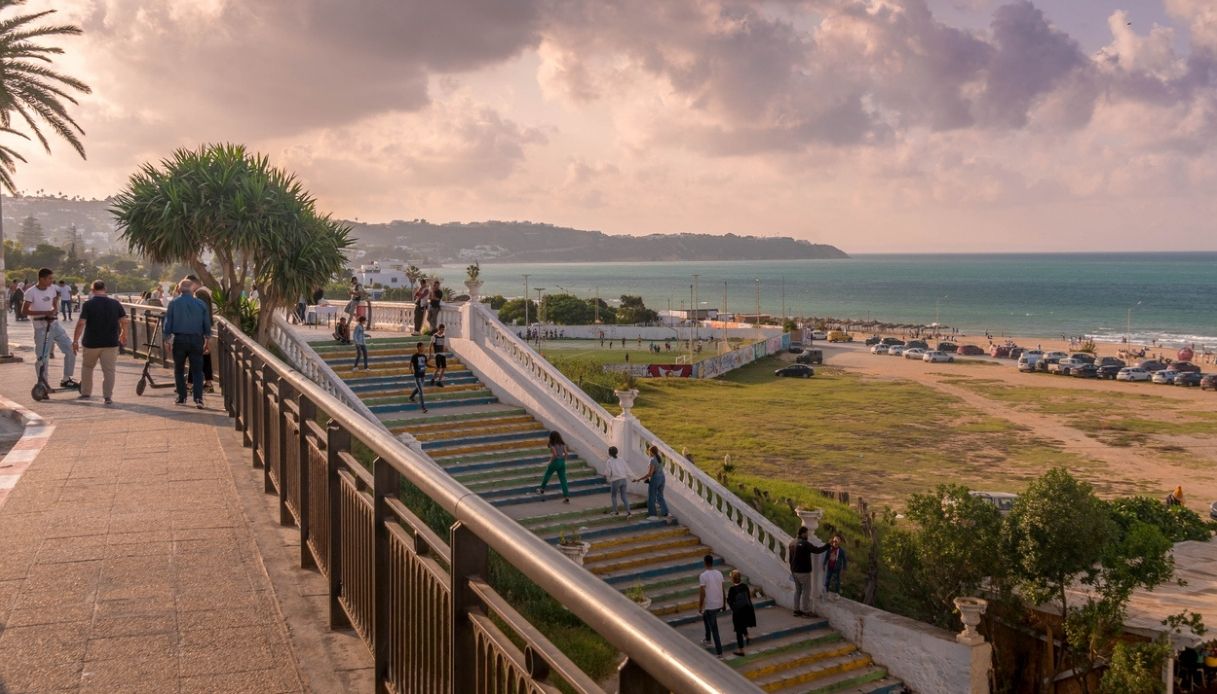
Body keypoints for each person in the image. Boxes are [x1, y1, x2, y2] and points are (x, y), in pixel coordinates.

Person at [72, 280, 128, 405]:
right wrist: (124, 334)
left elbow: (81, 323)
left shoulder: (88, 304)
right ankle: (107, 397)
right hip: (111, 342)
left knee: (87, 368)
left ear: (92, 290)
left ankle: (86, 392)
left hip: (91, 342)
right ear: (105, 289)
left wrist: (75, 340)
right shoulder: (115, 303)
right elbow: (124, 321)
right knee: (109, 371)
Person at [24, 268, 78, 389]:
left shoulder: (52, 288)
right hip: (40, 328)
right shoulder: (30, 292)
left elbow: (54, 302)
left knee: (70, 349)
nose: (51, 280)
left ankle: (67, 379)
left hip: (54, 325)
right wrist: (44, 313)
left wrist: (54, 310)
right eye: (49, 278)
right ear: (42, 279)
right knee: (43, 357)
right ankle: (43, 384)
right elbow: (25, 310)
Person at [162, 279, 211, 409]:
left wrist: (167, 340)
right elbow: (206, 324)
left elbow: (168, 323)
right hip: (196, 340)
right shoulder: (200, 304)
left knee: (178, 369)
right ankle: (198, 398)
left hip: (179, 339)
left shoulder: (173, 303)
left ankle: (181, 397)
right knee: (197, 370)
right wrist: (207, 340)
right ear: (192, 289)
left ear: (179, 289)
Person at [788, 526, 828, 617]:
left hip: (794, 572)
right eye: (806, 533)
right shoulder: (805, 544)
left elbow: (790, 559)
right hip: (803, 572)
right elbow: (817, 550)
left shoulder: (792, 543)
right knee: (806, 592)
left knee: (798, 591)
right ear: (803, 533)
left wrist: (792, 570)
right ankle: (806, 611)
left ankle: (796, 610)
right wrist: (828, 545)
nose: (807, 535)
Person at [698, 554, 725, 659]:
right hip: (719, 603)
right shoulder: (719, 573)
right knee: (705, 616)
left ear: (705, 563)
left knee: (714, 629)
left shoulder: (703, 576)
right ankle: (708, 639)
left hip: (711, 605)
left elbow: (702, 594)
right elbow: (723, 589)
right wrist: (724, 603)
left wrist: (700, 606)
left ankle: (720, 653)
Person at [727, 570, 756, 657]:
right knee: (743, 624)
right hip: (747, 610)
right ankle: (747, 636)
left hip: (738, 612)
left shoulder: (732, 589)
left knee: (738, 631)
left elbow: (730, 602)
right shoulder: (744, 586)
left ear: (732, 579)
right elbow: (748, 597)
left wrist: (734, 609)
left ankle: (741, 651)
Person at [636, 444, 669, 520]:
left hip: (655, 478)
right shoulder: (660, 458)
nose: (648, 452)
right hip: (662, 478)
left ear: (651, 452)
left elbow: (650, 474)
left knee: (651, 497)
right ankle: (665, 512)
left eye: (649, 451)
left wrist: (639, 479)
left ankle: (652, 515)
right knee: (660, 496)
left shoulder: (652, 460)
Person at [535, 431, 570, 503]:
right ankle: (566, 497)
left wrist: (549, 462)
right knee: (563, 480)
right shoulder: (562, 444)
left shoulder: (552, 444)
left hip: (555, 462)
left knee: (547, 474)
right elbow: (566, 454)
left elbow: (555, 454)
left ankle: (542, 489)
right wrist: (563, 460)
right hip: (562, 462)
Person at [194, 287, 217, 393]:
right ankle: (208, 383)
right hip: (205, 338)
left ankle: (192, 384)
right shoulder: (207, 311)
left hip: (200, 338)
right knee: (206, 360)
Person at [604, 445, 631, 516]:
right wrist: (633, 477)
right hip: (623, 479)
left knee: (613, 496)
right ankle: (628, 511)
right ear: (617, 452)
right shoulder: (621, 459)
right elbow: (627, 469)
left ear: (609, 453)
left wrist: (605, 475)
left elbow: (608, 472)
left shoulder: (609, 461)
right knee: (624, 496)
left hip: (616, 480)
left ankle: (615, 511)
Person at [407, 341, 429, 414]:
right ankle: (423, 408)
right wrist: (411, 370)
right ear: (419, 347)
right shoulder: (414, 356)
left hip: (423, 375)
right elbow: (410, 364)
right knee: (421, 391)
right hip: (417, 376)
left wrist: (434, 366)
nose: (424, 348)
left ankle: (411, 397)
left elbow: (426, 364)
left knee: (418, 388)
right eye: (422, 346)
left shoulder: (424, 356)